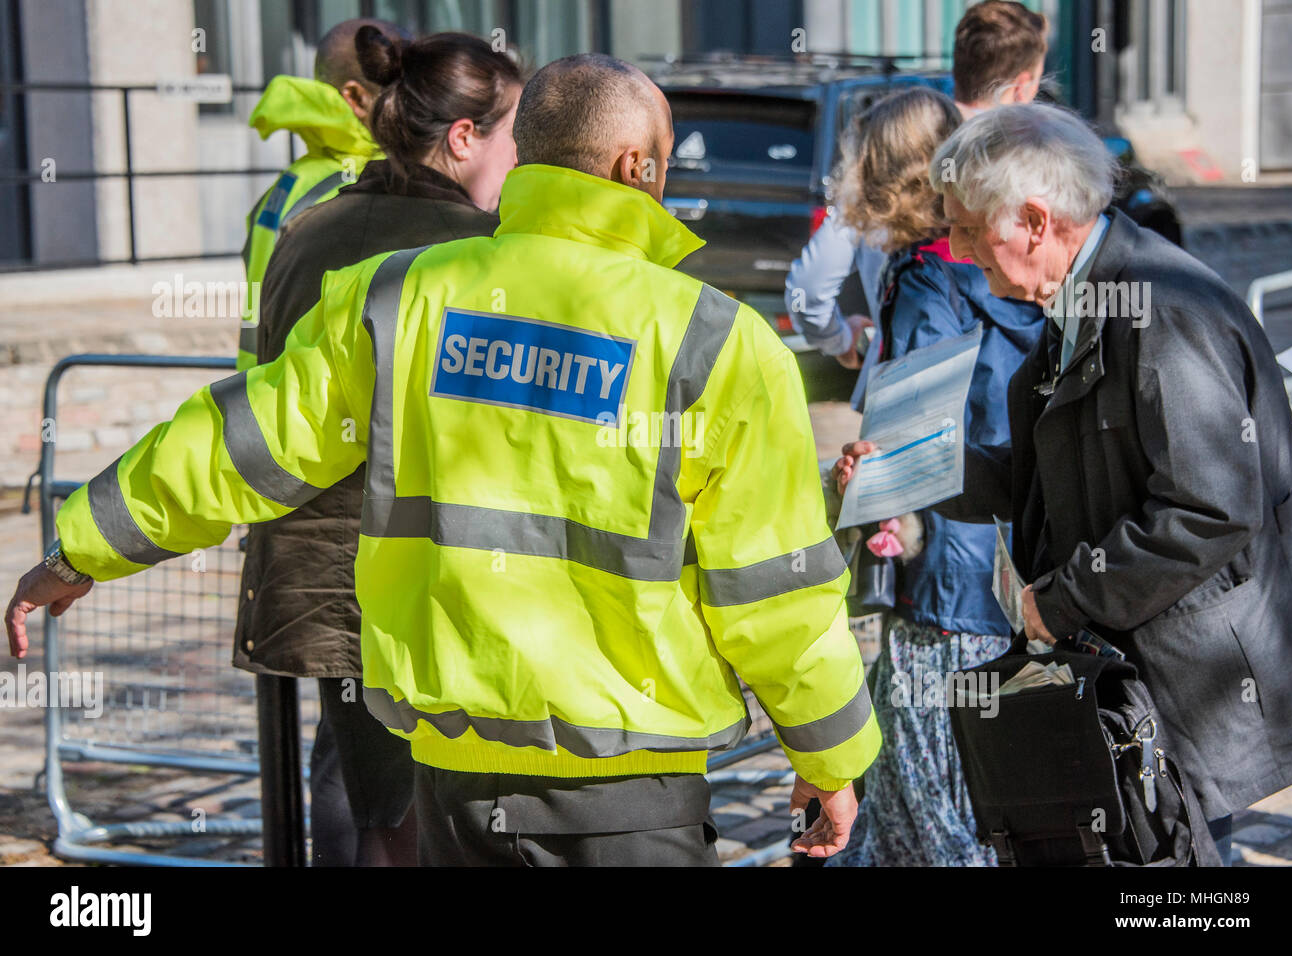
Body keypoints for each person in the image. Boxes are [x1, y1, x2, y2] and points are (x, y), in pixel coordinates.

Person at [7, 54, 880, 867]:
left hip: (451, 785)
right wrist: (829, 754)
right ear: (633, 171)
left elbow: (239, 443)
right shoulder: (718, 342)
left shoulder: (397, 296)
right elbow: (777, 591)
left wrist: (80, 545)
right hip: (631, 797)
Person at [841, 102, 1292, 865]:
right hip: (1149, 672)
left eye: (963, 225)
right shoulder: (1085, 292)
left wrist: (1058, 602)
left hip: (1191, 680)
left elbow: (1210, 511)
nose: (953, 246)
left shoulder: (1158, 307)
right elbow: (1039, 474)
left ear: (1032, 220)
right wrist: (903, 469)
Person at [235, 28, 523, 867]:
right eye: (512, 136)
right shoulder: (482, 250)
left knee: (378, 817)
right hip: (448, 584)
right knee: (449, 827)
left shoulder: (307, 227)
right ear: (464, 137)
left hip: (334, 586)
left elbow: (264, 405)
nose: (521, 160)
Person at [818, 88, 1043, 867]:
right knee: (980, 802)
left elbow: (913, 447)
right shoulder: (1008, 263)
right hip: (1020, 570)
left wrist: (848, 483)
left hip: (945, 582)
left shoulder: (922, 278)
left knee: (924, 804)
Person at [785, 0, 1047, 370]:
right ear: (1021, 87)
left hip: (908, 384)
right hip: (1018, 384)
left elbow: (808, 289)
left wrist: (843, 341)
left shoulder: (898, 149)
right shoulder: (1036, 163)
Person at [236, 17, 408, 371]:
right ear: (356, 97)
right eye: (403, 89)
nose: (418, 102)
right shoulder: (368, 182)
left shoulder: (292, 181)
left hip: (263, 390)